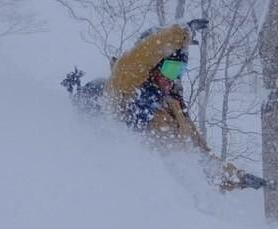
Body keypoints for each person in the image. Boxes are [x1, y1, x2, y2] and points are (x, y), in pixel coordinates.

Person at [105, 21, 263, 192]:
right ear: (152, 67)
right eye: (171, 70)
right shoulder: (126, 88)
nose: (174, 78)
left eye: (180, 71)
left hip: (171, 199)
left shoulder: (175, 107)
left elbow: (201, 158)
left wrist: (237, 177)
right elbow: (144, 54)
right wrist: (183, 33)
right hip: (137, 190)